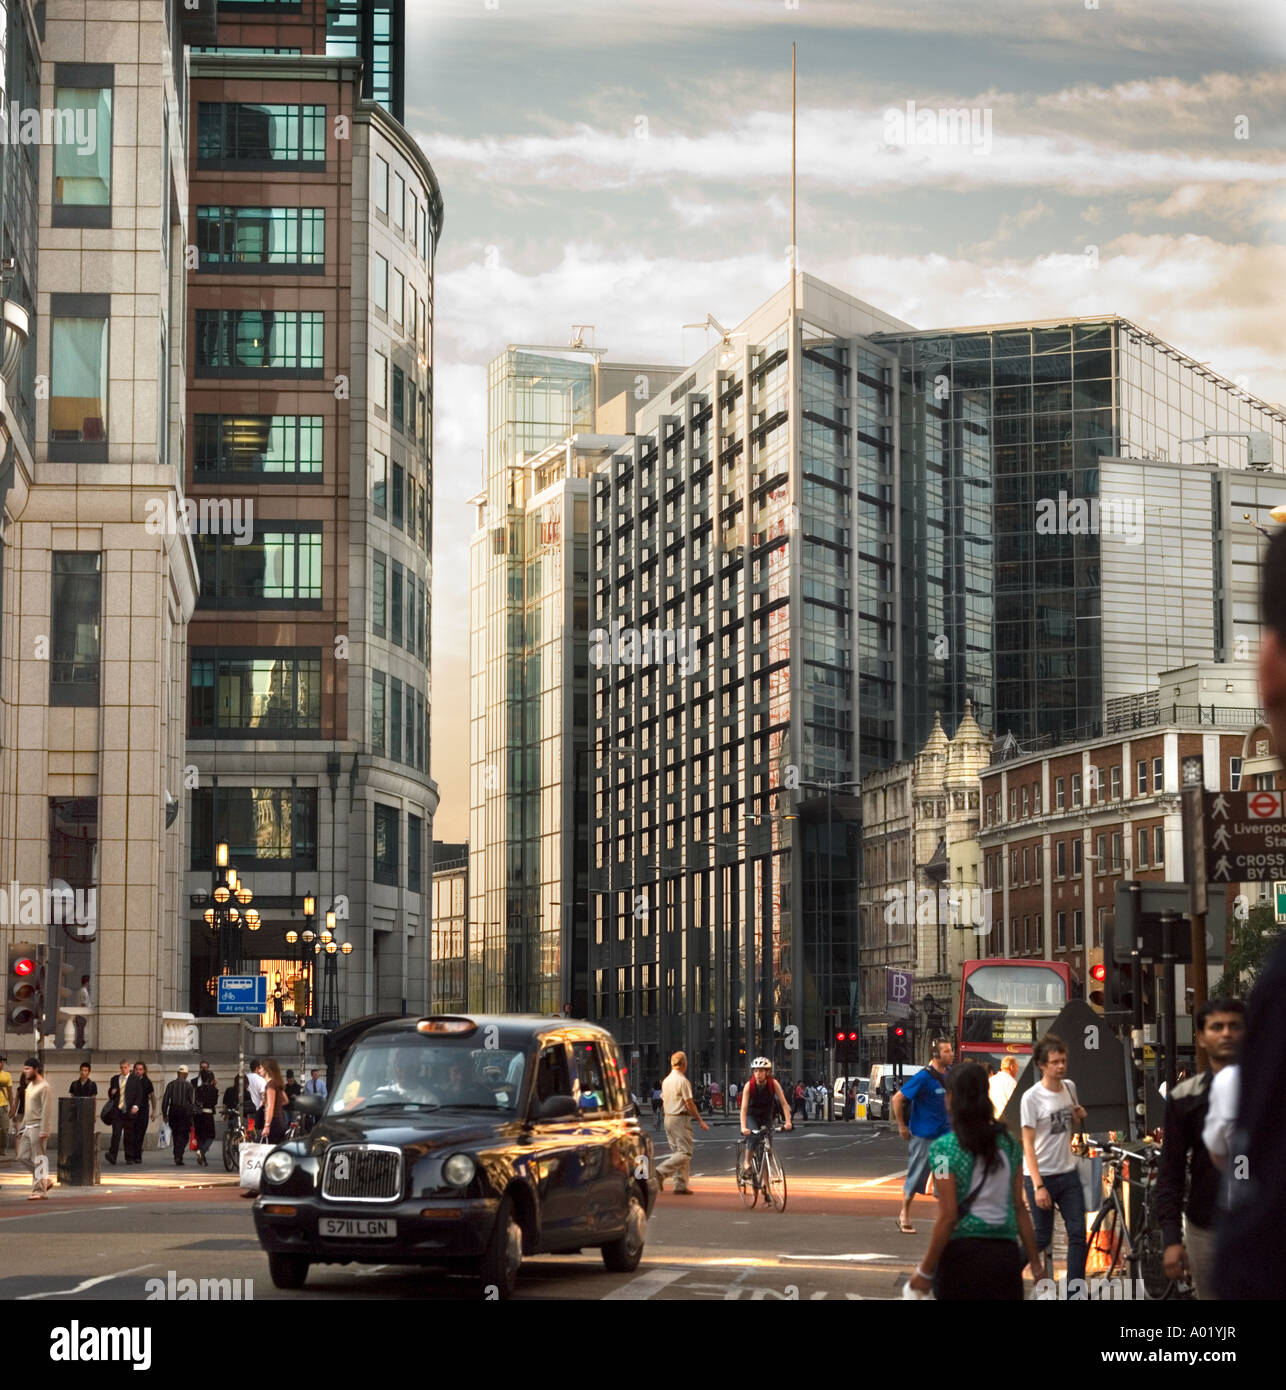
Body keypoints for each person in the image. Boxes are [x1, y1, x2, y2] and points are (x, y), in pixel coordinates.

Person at [908, 1061, 1044, 1300]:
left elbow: (948, 1215)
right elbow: (1019, 1207)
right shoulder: (1010, 1144)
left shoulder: (942, 1150)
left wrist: (926, 1270)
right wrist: (1035, 1264)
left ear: (950, 1098)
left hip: (960, 1257)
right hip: (1005, 1257)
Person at [1155, 997, 1244, 1298]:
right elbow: (1170, 1172)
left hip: (1263, 1223)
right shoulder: (1185, 1098)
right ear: (1202, 1037)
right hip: (1206, 1227)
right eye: (1217, 1027)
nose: (1226, 1033)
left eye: (1234, 1026)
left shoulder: (1268, 1092)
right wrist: (1171, 1239)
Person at [1020, 1033, 1088, 1287]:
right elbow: (1027, 1142)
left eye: (1063, 1061)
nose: (1060, 1066)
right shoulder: (1032, 1098)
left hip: (1068, 1172)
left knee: (1078, 1235)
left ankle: (1075, 1292)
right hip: (1041, 1175)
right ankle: (1001, 1273)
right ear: (1042, 1065)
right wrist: (1037, 1186)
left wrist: (1080, 1115)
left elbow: (1073, 1122)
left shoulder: (1069, 1087)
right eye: (1055, 1062)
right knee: (1040, 1237)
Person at [893, 1038, 955, 1234]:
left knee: (943, 1177)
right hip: (923, 1137)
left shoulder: (952, 1075)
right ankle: (905, 1213)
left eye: (951, 1050)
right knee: (916, 1176)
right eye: (947, 1051)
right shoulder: (923, 1077)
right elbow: (897, 1098)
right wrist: (901, 1125)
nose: (951, 1054)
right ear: (936, 1055)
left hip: (944, 1138)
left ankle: (944, 1218)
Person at [654, 1051, 709, 1195]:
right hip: (680, 1118)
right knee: (685, 1152)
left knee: (677, 1152)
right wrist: (700, 1120)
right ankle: (660, 1172)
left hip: (668, 1117)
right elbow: (689, 1103)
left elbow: (664, 1100)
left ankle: (680, 1184)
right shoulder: (682, 1081)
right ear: (684, 1064)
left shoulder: (666, 1081)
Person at [739, 1057, 791, 1197]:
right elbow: (743, 1109)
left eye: (761, 1071)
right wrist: (744, 1127)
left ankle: (766, 1188)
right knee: (754, 1136)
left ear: (767, 1072)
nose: (758, 1073)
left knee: (766, 1152)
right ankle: (746, 1163)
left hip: (767, 1117)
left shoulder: (773, 1084)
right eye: (756, 1071)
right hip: (752, 1115)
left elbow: (784, 1104)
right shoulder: (748, 1086)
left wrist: (788, 1122)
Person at [16, 1058, 51, 1198]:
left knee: (39, 1159)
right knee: (22, 1157)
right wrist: (22, 1126)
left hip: (38, 1126)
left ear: (36, 1069)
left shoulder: (44, 1087)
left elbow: (46, 1110)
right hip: (28, 1126)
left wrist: (44, 1129)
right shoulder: (29, 1086)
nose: (25, 1072)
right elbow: (28, 1109)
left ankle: (39, 1190)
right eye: (24, 1069)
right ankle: (44, 1179)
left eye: (28, 1069)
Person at [161, 1065, 195, 1166]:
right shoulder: (189, 1086)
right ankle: (178, 1154)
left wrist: (165, 1114)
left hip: (173, 1111)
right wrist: (192, 1116)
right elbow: (191, 1102)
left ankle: (177, 1153)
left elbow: (165, 1100)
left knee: (176, 1134)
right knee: (184, 1135)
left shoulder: (171, 1085)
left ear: (177, 1073)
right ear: (186, 1074)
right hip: (184, 1112)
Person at [123, 1060, 155, 1164]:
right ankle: (130, 1155)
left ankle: (137, 1155)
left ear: (144, 1071)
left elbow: (152, 1096)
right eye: (136, 1069)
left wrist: (154, 1111)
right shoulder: (129, 1080)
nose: (138, 1071)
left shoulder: (147, 1082)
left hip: (143, 1111)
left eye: (141, 1069)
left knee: (140, 1133)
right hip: (131, 1111)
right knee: (130, 1133)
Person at [105, 1059, 130, 1165]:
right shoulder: (115, 1079)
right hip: (117, 1111)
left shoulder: (134, 1079)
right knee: (116, 1134)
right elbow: (111, 1095)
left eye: (125, 1067)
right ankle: (112, 1155)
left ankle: (129, 1157)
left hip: (128, 1111)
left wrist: (135, 1106)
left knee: (128, 1135)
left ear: (129, 1067)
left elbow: (137, 1094)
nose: (123, 1070)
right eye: (121, 1068)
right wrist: (112, 1092)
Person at [192, 1065, 218, 1167]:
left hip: (198, 1114)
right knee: (211, 1136)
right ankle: (202, 1151)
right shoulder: (214, 1090)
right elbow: (214, 1103)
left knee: (200, 1136)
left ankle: (202, 1157)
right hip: (208, 1114)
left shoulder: (198, 1089)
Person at [246, 1060, 267, 1134]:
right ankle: (253, 1141)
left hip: (245, 1109)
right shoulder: (261, 1080)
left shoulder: (245, 1078)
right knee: (257, 1130)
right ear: (257, 1068)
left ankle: (248, 1138)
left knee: (249, 1128)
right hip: (257, 1109)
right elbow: (263, 1096)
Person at [74, 975, 91, 1048]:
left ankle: (79, 1047)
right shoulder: (84, 991)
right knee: (81, 1035)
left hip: (80, 1016)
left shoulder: (81, 990)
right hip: (82, 1016)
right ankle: (79, 1049)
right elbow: (83, 1004)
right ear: (87, 982)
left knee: (81, 1034)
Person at [0, 1053, 11, 1158]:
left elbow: (10, 1092)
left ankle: (2, 1148)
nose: (1, 1064)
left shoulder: (6, 1075)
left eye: (2, 1062)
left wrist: (12, 1107)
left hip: (3, 1106)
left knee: (4, 1128)